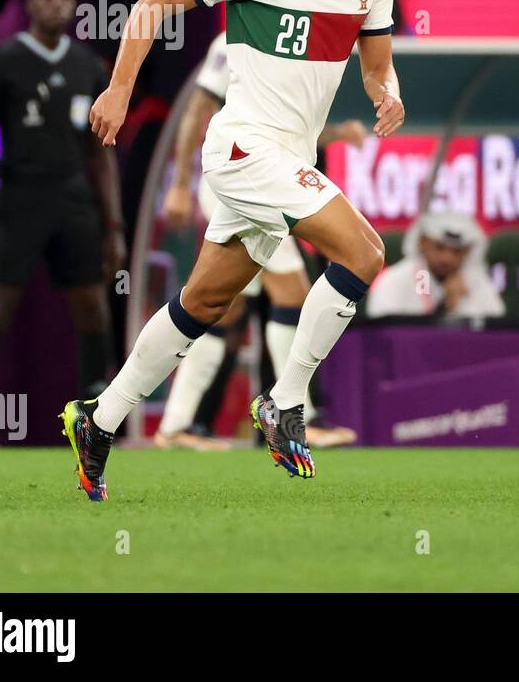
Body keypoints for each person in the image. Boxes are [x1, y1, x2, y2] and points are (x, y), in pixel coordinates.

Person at [63, 0, 401, 500]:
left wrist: (387, 95)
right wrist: (120, 86)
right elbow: (154, 3)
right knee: (363, 252)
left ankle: (98, 419)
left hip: (286, 157)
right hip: (245, 146)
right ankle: (285, 400)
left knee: (203, 301)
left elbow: (376, 64)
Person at [155, 32, 364, 450]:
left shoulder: (291, 29)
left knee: (220, 307)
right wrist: (179, 184)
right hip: (245, 178)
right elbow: (199, 108)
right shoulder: (233, 36)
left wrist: (336, 133)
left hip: (265, 174)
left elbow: (280, 126)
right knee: (292, 293)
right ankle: (293, 418)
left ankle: (172, 426)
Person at [0, 0, 125, 450]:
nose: (59, 3)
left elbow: (101, 153)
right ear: (29, 2)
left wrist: (114, 225)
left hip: (74, 201)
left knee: (91, 305)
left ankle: (96, 420)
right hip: (19, 199)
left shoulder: (89, 66)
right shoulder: (3, 62)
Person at [366, 210, 504, 321]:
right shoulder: (395, 280)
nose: (447, 258)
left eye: (457, 251)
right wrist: (444, 306)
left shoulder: (475, 281)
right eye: (439, 247)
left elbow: (494, 330)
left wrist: (456, 306)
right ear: (423, 243)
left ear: (467, 252)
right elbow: (383, 331)